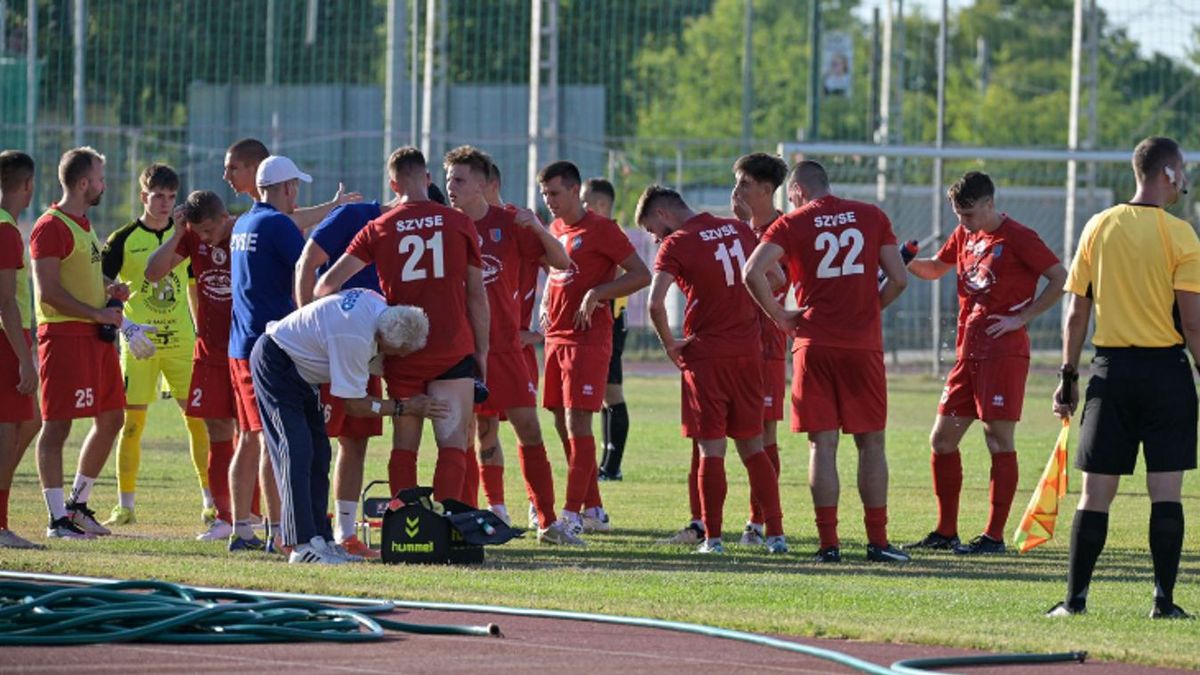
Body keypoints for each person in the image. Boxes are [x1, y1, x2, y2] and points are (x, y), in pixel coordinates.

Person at [1049, 137, 1200, 619]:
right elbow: (1192, 322)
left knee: (1096, 493)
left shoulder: (1100, 225)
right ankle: (1163, 601)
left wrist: (1068, 375)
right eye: (1183, 171)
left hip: (1110, 373)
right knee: (1166, 491)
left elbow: (1076, 314)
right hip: (1167, 374)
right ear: (1169, 174)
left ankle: (1074, 602)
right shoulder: (1181, 235)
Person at [744, 160, 910, 563]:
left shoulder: (792, 223)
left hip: (813, 342)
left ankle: (829, 545)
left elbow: (753, 271)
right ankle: (878, 541)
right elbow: (900, 278)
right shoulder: (871, 215)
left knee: (823, 444)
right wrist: (870, 309)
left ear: (797, 191)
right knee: (871, 443)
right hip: (861, 344)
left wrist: (780, 316)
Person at [316, 146, 488, 504]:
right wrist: (482, 352)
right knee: (453, 444)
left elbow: (325, 286)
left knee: (405, 446)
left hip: (402, 348)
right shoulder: (459, 222)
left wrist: (359, 322)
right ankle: (448, 528)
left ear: (393, 185)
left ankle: (408, 525)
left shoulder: (378, 227)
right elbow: (476, 295)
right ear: (428, 178)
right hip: (452, 348)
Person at [904, 172, 1065, 555]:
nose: (964, 222)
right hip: (968, 353)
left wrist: (1021, 318)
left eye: (970, 214)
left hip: (1003, 353)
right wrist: (903, 260)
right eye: (958, 214)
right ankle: (946, 531)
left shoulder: (1019, 237)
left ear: (990, 204)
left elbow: (1060, 277)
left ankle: (993, 537)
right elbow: (935, 269)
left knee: (997, 438)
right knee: (942, 441)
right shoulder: (964, 235)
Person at [638, 185, 787, 555]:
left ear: (663, 215)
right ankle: (776, 536)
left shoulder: (678, 244)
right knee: (754, 447)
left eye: (656, 233)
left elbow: (655, 304)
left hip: (707, 356)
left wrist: (670, 345)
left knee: (711, 450)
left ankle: (714, 539)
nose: (659, 241)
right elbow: (777, 279)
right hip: (750, 353)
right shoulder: (738, 229)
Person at [443, 145, 578, 544]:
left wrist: (537, 228)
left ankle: (548, 522)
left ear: (484, 185)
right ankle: (475, 518)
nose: (451, 187)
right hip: (461, 351)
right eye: (448, 179)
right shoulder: (445, 225)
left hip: (506, 350)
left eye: (460, 180)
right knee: (470, 434)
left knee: (528, 430)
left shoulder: (513, 223)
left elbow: (562, 263)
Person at [251, 289, 446, 564]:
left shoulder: (378, 307)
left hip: (302, 372)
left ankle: (322, 539)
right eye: (397, 353)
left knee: (319, 453)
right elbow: (355, 406)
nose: (396, 359)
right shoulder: (356, 340)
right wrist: (404, 406)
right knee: (295, 449)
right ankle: (299, 544)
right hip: (276, 362)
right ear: (384, 340)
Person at [30, 147, 151, 539]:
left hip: (94, 337)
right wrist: (97, 313)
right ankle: (55, 519)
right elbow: (47, 292)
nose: (104, 184)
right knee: (57, 427)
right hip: (64, 337)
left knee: (113, 417)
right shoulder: (51, 226)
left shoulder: (83, 225)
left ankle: (77, 505)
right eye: (100, 178)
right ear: (83, 184)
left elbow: (78, 276)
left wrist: (108, 290)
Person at [537, 160, 650, 535]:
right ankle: (593, 508)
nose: (549, 200)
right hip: (556, 338)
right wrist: (543, 305)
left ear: (574, 190)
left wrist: (599, 293)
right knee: (558, 418)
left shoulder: (602, 229)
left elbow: (641, 274)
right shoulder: (554, 229)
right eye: (544, 194)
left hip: (588, 339)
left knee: (577, 421)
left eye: (554, 193)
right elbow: (556, 273)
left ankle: (570, 514)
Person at [100, 164, 212, 529]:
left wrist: (201, 334)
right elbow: (100, 287)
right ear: (143, 196)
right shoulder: (122, 239)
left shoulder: (188, 236)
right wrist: (125, 326)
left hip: (180, 342)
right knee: (131, 425)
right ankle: (125, 505)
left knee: (198, 422)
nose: (164, 203)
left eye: (170, 196)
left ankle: (211, 502)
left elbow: (194, 287)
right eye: (157, 196)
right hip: (138, 344)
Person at [295, 194, 391, 559]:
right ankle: (298, 529)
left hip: (368, 346)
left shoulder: (413, 231)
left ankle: (345, 531)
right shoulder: (354, 214)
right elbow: (306, 263)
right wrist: (308, 322)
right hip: (333, 342)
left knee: (356, 437)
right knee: (312, 440)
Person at [227, 155, 312, 552]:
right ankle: (278, 530)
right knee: (270, 440)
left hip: (240, 342)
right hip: (265, 346)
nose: (297, 196)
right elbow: (308, 267)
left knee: (250, 438)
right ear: (287, 188)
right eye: (296, 188)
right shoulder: (277, 224)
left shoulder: (244, 221)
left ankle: (244, 527)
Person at [146, 190, 238, 541]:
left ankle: (254, 513)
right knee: (217, 430)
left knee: (253, 435)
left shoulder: (245, 233)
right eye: (198, 232)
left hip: (245, 350)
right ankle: (225, 517)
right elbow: (153, 272)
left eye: (209, 232)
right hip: (210, 351)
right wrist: (176, 234)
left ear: (224, 218)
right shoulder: (189, 237)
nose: (204, 239)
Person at [0, 150, 42, 548]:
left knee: (30, 422)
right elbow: (6, 301)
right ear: (27, 185)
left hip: (11, 337)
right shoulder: (7, 231)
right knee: (9, 429)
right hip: (7, 339)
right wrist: (22, 360)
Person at [580, 178, 631, 483]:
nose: (582, 206)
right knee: (601, 396)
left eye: (586, 200)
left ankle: (612, 466)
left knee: (612, 393)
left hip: (611, 319)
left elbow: (627, 273)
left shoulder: (609, 233)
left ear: (600, 204)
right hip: (602, 318)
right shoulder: (595, 231)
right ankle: (606, 464)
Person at [222, 138, 362, 231]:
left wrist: (333, 206)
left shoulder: (280, 211)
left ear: (257, 167)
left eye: (233, 168)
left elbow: (285, 221)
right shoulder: (251, 218)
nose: (226, 176)